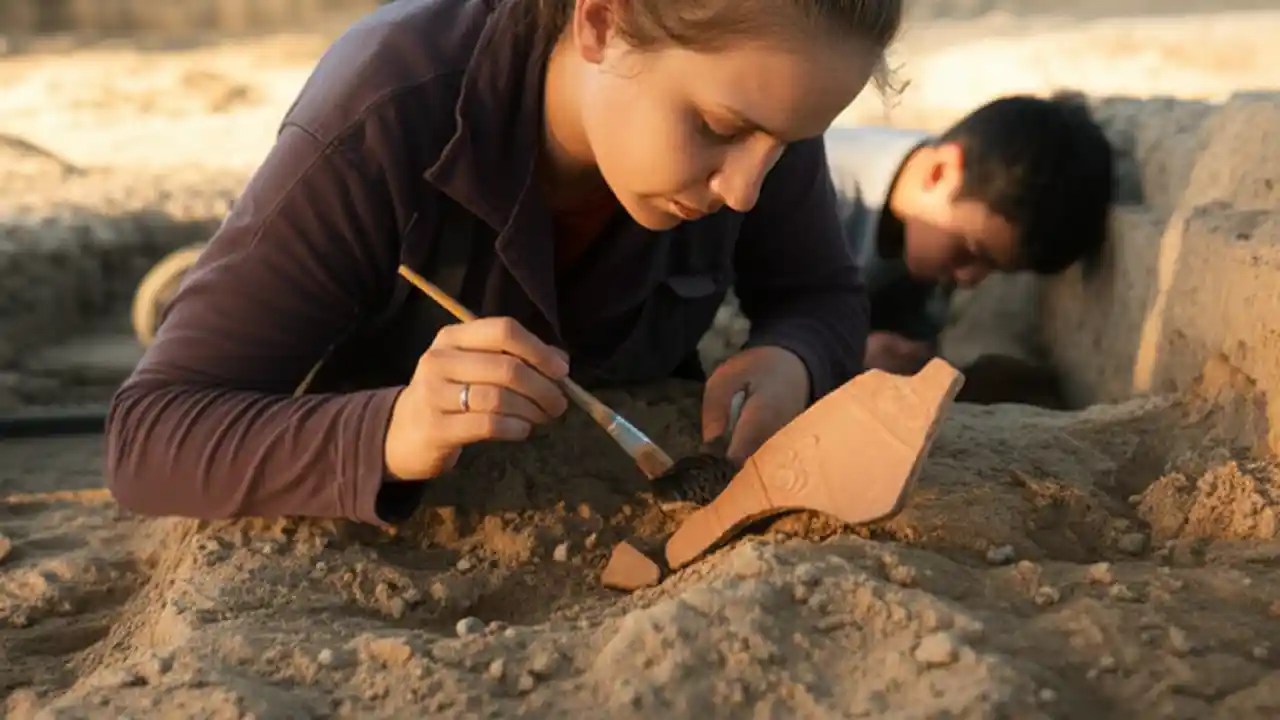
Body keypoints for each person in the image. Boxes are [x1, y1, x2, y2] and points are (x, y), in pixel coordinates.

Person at [104, 0, 902, 527]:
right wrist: (393, 428)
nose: (744, 190)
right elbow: (149, 437)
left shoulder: (764, 113)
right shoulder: (386, 114)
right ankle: (193, 281)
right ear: (600, 24)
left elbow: (821, 295)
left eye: (788, 144)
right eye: (718, 128)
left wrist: (792, 356)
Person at [822, 93, 1114, 376]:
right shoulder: (812, 189)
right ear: (939, 173)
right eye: (972, 251)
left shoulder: (924, 229)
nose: (969, 278)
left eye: (994, 268)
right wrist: (840, 359)